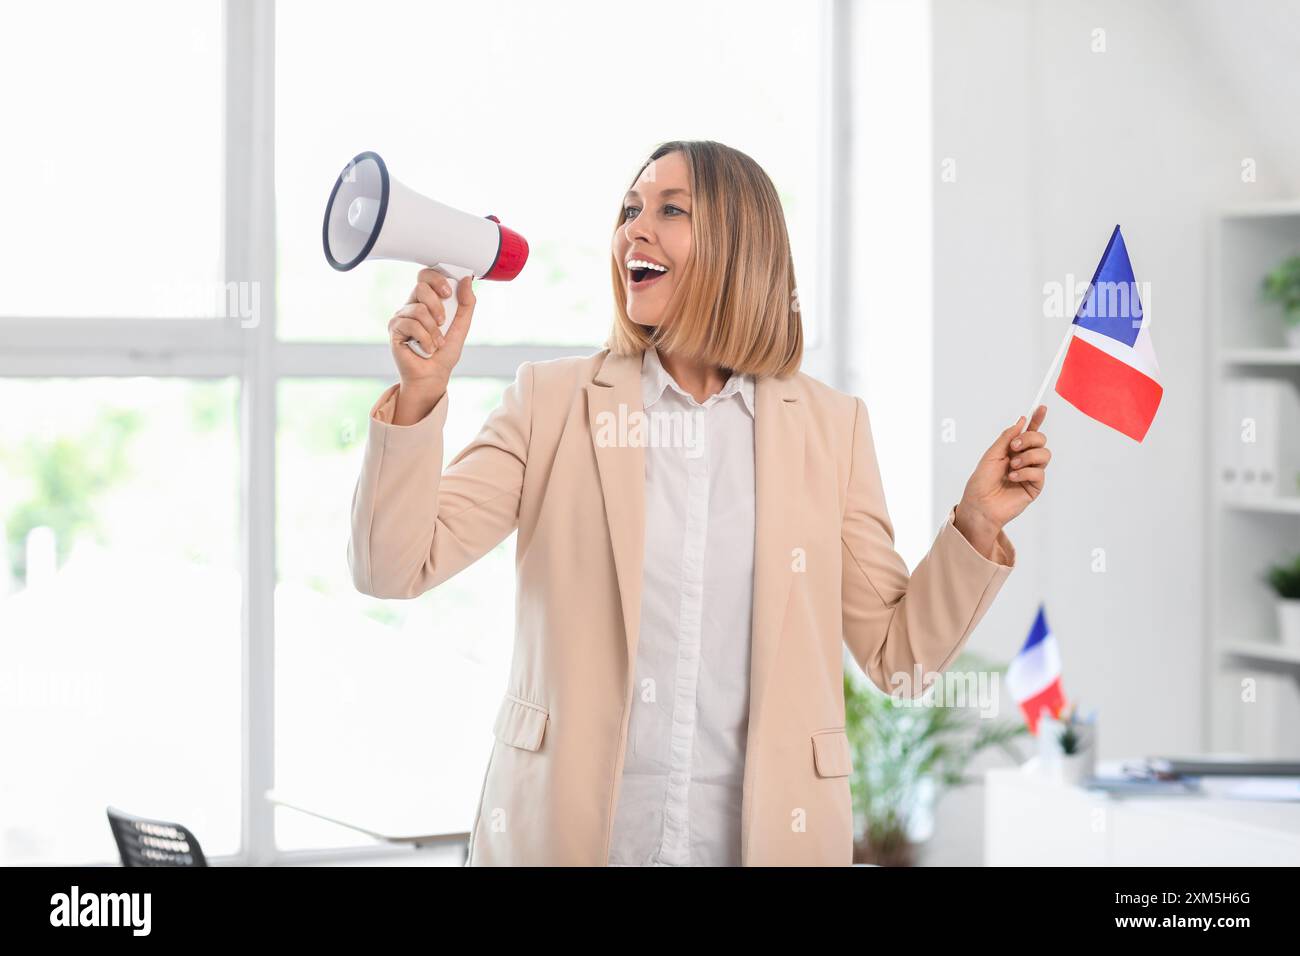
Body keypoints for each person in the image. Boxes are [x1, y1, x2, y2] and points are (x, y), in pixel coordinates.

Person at [347, 140, 1050, 866]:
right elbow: (392, 568)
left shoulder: (830, 430)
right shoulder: (551, 403)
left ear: (741, 244)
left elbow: (899, 658)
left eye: (670, 209)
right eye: (629, 210)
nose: (634, 230)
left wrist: (976, 524)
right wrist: (422, 395)